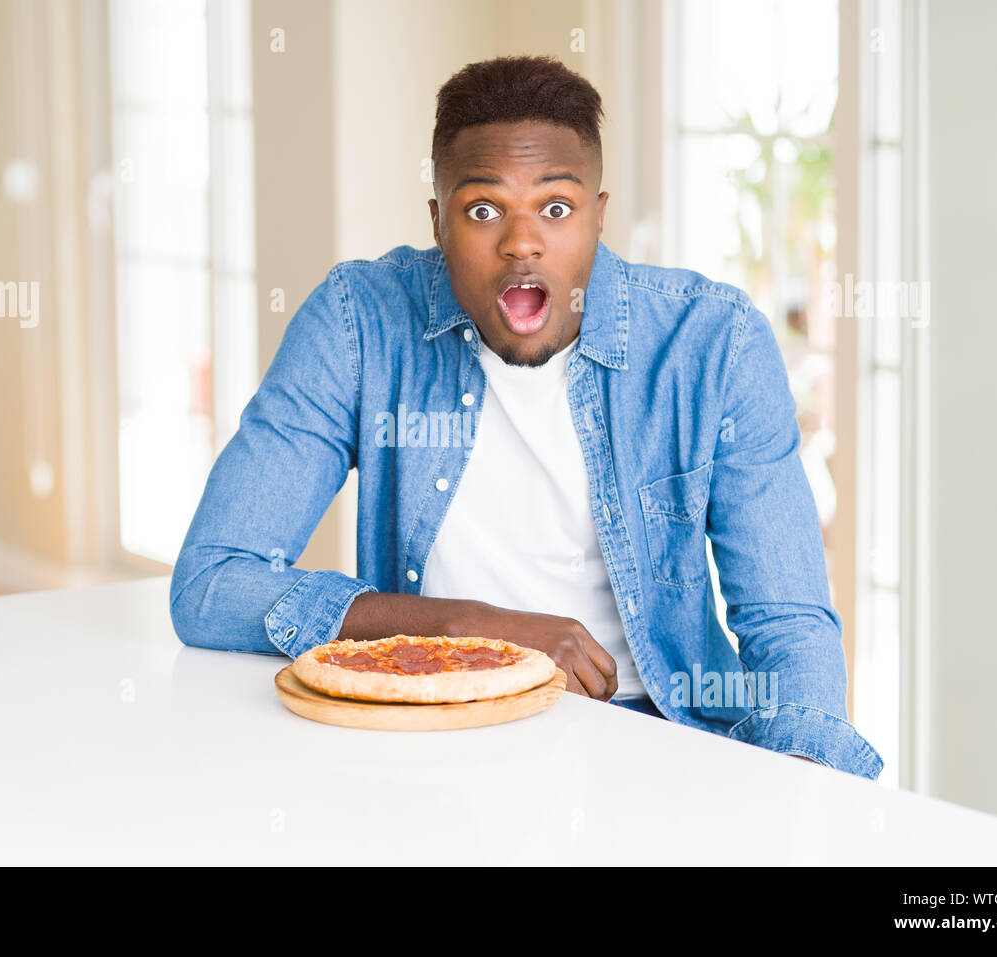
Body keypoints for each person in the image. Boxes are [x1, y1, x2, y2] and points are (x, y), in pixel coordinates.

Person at [169, 55, 882, 780]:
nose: (521, 242)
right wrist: (466, 627)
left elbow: (787, 622)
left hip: (658, 743)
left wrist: (805, 789)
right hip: (434, 743)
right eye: (483, 210)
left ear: (599, 216)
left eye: (556, 207)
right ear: (439, 222)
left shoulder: (713, 343)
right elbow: (212, 585)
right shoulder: (359, 324)